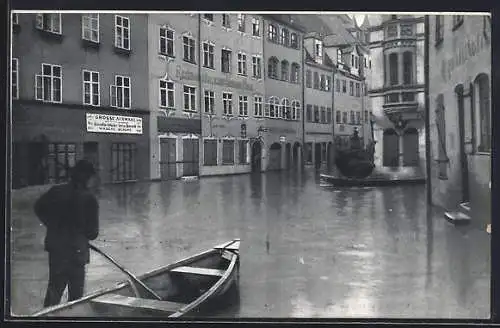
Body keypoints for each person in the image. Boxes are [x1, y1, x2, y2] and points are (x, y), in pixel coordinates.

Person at [34, 159, 99, 307]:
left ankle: (44, 320)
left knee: (53, 292)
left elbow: (38, 207)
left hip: (56, 251)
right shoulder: (89, 199)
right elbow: (93, 233)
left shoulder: (55, 191)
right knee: (76, 299)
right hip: (77, 253)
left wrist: (50, 224)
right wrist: (82, 233)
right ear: (87, 177)